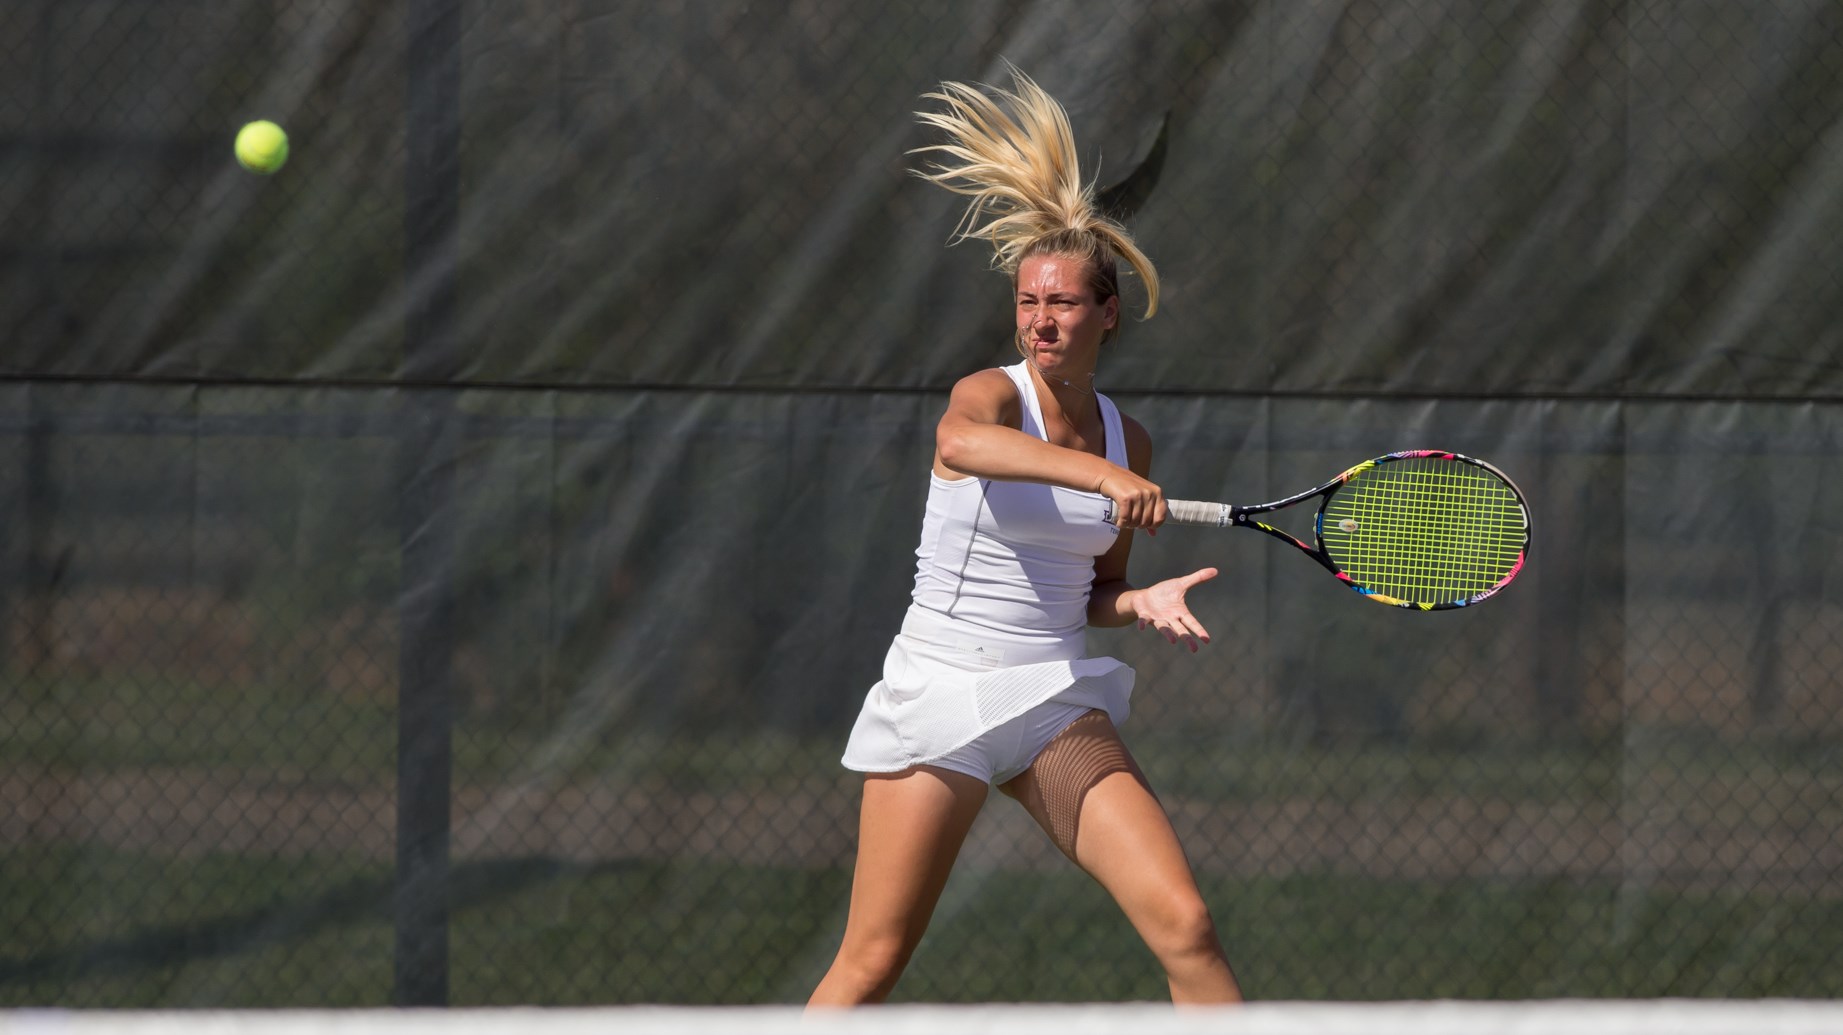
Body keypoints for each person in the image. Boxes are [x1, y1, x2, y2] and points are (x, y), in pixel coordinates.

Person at [807, 69, 1242, 1007]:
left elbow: (1092, 591)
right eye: (1027, 302)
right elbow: (961, 445)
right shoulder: (990, 396)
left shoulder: (1129, 438)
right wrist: (1101, 479)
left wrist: (1139, 598)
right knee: (871, 962)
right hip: (943, 693)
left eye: (1064, 303)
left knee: (1187, 927)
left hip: (1049, 701)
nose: (1041, 321)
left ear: (1107, 312)